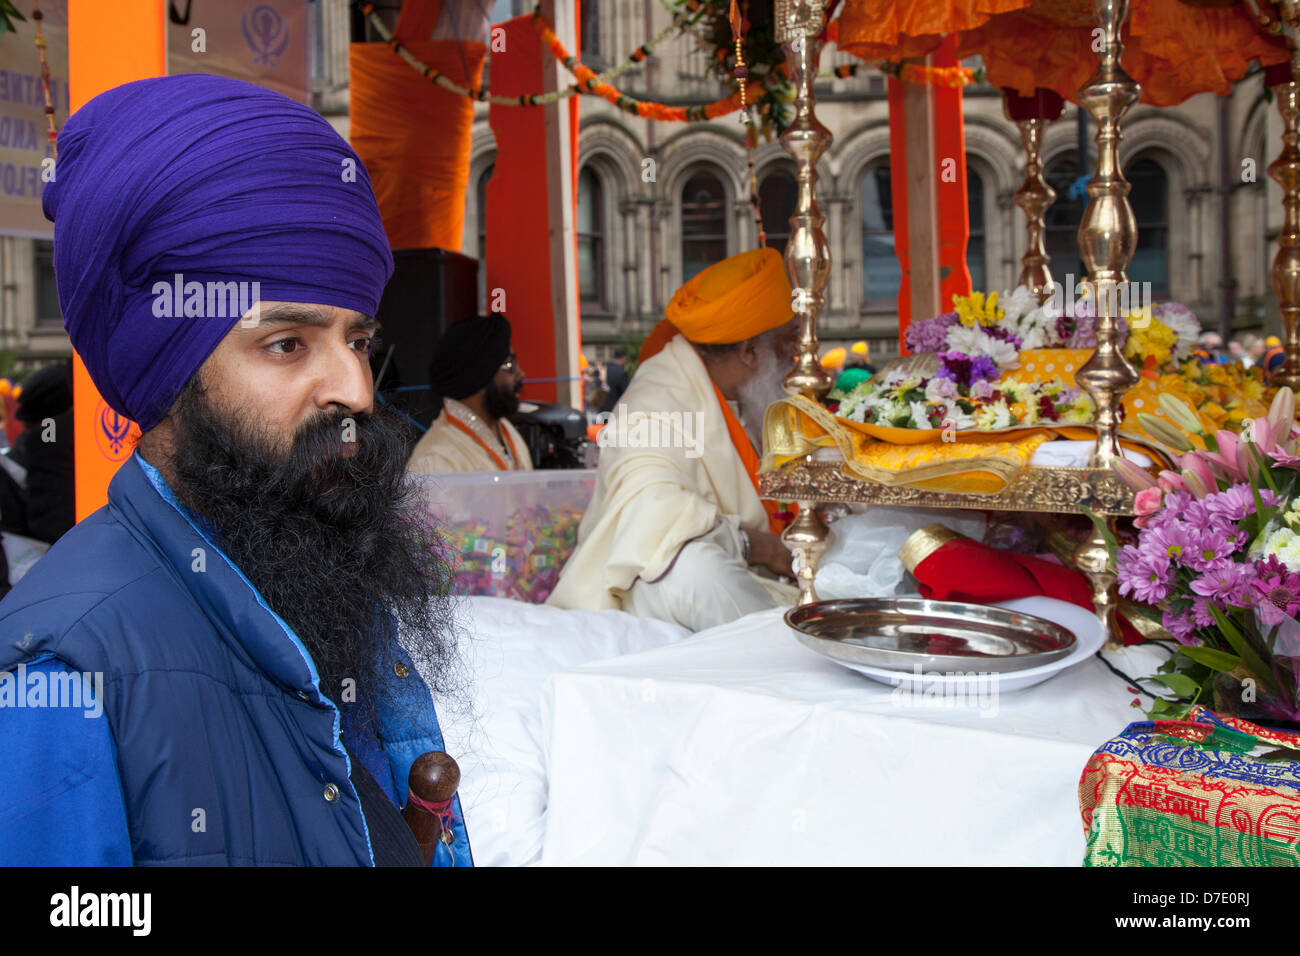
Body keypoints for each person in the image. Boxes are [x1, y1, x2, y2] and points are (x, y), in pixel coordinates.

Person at [0, 75, 471, 867]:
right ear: (169, 370)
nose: (356, 389)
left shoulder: (308, 567)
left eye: (358, 340)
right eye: (287, 343)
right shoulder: (61, 678)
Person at [547, 248, 800, 631]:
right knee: (694, 570)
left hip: (761, 574)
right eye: (790, 341)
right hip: (646, 586)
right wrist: (765, 549)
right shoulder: (656, 400)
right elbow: (651, 514)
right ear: (750, 352)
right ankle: (787, 671)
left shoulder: (748, 396)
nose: (799, 355)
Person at [407, 313, 532, 473]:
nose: (521, 374)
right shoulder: (434, 460)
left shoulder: (507, 430)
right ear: (479, 376)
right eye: (508, 365)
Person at [598, 347, 630, 413]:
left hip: (601, 407)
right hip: (615, 409)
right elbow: (625, 392)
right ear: (624, 358)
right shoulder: (622, 373)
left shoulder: (604, 369)